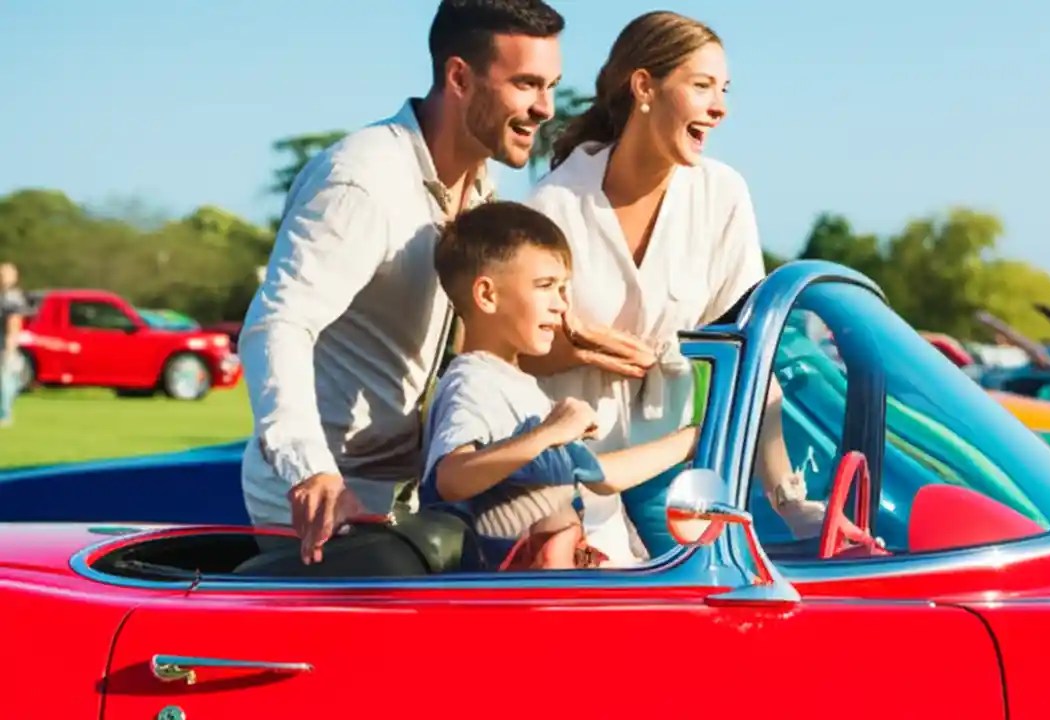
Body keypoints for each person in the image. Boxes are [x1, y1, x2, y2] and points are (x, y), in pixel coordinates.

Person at [238, 0, 565, 565]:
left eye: (552, 85)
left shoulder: (479, 191)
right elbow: (278, 323)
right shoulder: (362, 183)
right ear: (459, 76)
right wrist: (311, 470)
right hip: (323, 504)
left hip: (405, 499)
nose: (545, 108)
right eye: (527, 84)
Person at [523, 11, 825, 565]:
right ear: (644, 87)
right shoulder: (550, 208)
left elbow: (753, 353)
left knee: (710, 596)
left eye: (724, 90)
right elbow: (506, 354)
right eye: (702, 86)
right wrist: (583, 348)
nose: (721, 107)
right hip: (566, 475)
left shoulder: (722, 195)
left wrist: (787, 499)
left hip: (666, 467)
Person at [423, 201, 699, 569]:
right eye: (546, 286)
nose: (562, 305)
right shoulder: (472, 382)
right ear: (488, 295)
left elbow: (601, 475)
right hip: (517, 606)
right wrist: (548, 433)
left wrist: (695, 438)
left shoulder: (515, 383)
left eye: (564, 288)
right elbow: (451, 478)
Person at [0, 262, 29, 428]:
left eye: (5, 274)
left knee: (5, 378)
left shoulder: (12, 297)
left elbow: (14, 323)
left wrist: (10, 349)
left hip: (6, 344)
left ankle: (4, 414)